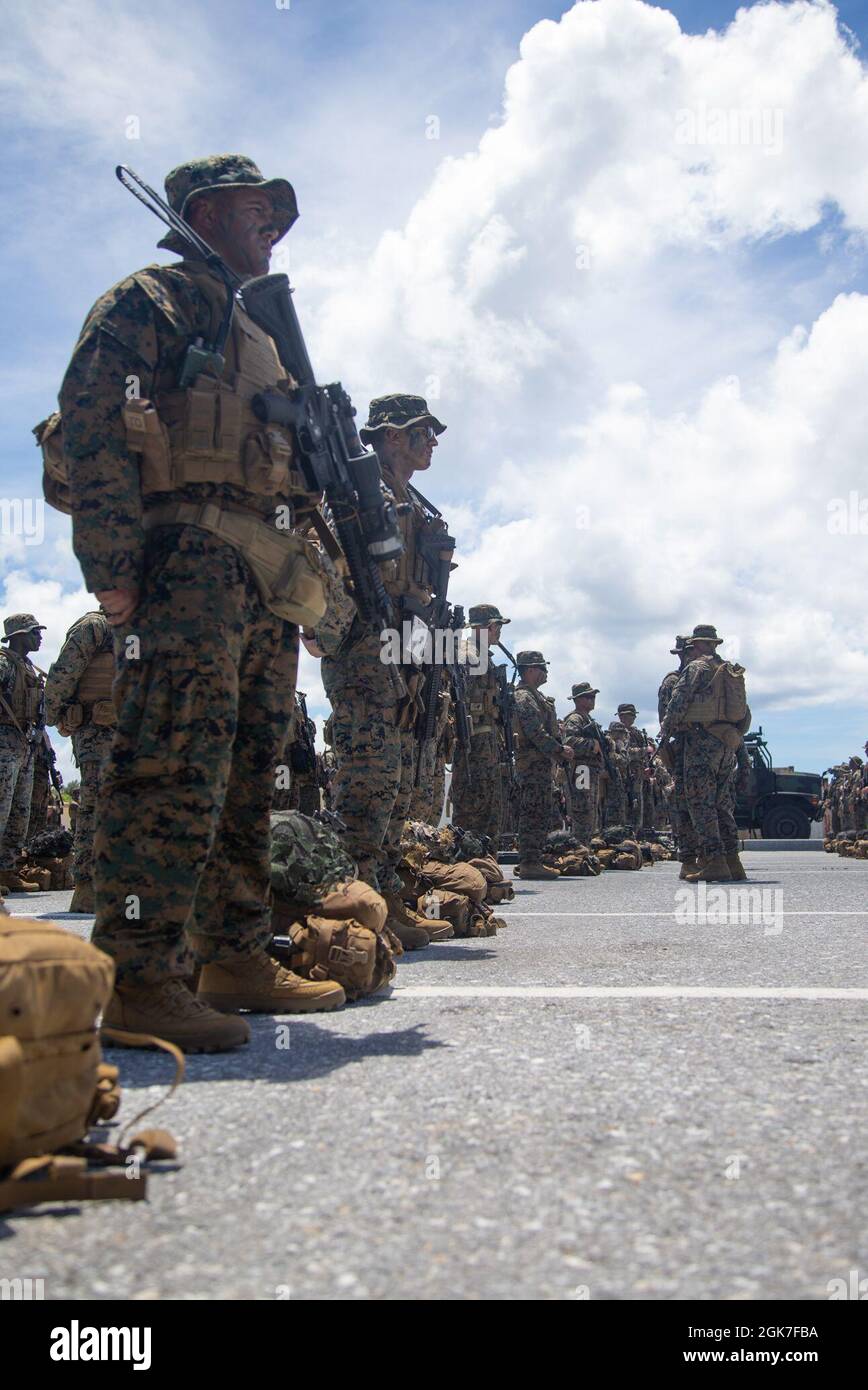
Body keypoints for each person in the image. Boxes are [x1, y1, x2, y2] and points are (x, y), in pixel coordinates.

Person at [59, 154, 346, 1050]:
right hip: (186, 557)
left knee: (249, 773)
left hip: (261, 572)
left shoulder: (260, 335)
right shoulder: (153, 297)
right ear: (205, 213)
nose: (272, 224)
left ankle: (230, 956)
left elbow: (295, 475)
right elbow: (91, 419)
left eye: (276, 212)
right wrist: (111, 565)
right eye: (256, 209)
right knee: (173, 759)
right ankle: (140, 975)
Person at [317, 393, 455, 948]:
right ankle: (352, 908)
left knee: (397, 783)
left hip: (408, 649)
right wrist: (326, 629)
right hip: (364, 649)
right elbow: (326, 555)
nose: (432, 443)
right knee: (368, 782)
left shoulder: (415, 505)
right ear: (391, 436)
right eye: (422, 432)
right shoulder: (360, 495)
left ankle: (385, 896)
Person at [658, 624, 747, 882]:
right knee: (722, 806)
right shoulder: (728, 670)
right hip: (726, 744)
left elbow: (677, 703)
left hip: (700, 744)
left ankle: (715, 862)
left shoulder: (696, 668)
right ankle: (733, 861)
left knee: (701, 805)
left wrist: (666, 730)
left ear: (697, 644)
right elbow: (743, 712)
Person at [44, 609, 117, 913]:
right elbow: (63, 674)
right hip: (99, 731)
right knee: (96, 808)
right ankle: (88, 887)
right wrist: (55, 714)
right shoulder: (95, 626)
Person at [451, 604, 510, 840]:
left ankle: (486, 859)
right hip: (473, 739)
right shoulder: (469, 655)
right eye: (495, 626)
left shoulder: (484, 656)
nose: (498, 631)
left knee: (489, 800)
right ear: (482, 628)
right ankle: (469, 857)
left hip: (487, 738)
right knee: (472, 800)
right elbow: (459, 697)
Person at [512, 651, 574, 879]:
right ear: (529, 671)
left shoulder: (535, 696)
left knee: (540, 812)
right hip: (531, 765)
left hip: (540, 764)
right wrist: (559, 750)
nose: (545, 672)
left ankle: (532, 859)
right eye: (541, 668)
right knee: (533, 813)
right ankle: (529, 862)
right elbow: (534, 732)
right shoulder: (524, 697)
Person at [0, 614, 46, 892]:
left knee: (20, 812)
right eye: (34, 633)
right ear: (18, 635)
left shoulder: (29, 667)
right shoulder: (3, 663)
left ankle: (6, 870)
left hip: (25, 743)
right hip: (4, 740)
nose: (39, 638)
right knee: (2, 809)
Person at [562, 681, 603, 845]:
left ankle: (585, 844)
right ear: (578, 700)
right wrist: (592, 745)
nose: (592, 699)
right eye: (588, 696)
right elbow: (570, 741)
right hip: (581, 769)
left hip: (589, 769)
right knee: (582, 807)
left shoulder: (587, 719)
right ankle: (579, 845)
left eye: (593, 696)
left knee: (590, 807)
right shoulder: (574, 719)